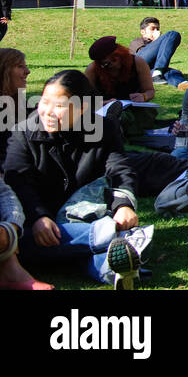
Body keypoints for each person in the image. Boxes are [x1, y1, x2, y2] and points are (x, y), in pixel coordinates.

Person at [2, 70, 154, 288]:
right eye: (44, 102)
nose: (48, 112)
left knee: (78, 253)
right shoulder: (23, 134)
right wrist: (38, 218)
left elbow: (119, 169)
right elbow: (18, 183)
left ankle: (113, 271)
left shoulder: (104, 129)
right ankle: (118, 238)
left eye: (59, 105)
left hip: (82, 217)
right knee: (22, 242)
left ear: (83, 108)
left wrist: (123, 205)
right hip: (38, 228)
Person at [85, 36, 155, 104]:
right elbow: (85, 99)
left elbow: (150, 90)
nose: (113, 65)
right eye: (106, 64)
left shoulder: (138, 62)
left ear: (122, 55)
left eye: (114, 60)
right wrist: (103, 103)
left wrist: (144, 96)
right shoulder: (92, 70)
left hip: (133, 107)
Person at [128, 16, 186, 88]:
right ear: (143, 31)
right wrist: (156, 40)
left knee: (173, 72)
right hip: (136, 65)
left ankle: (184, 84)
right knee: (172, 34)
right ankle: (158, 71)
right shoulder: (136, 42)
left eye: (157, 29)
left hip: (149, 70)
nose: (156, 31)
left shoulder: (162, 43)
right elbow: (144, 59)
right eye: (152, 29)